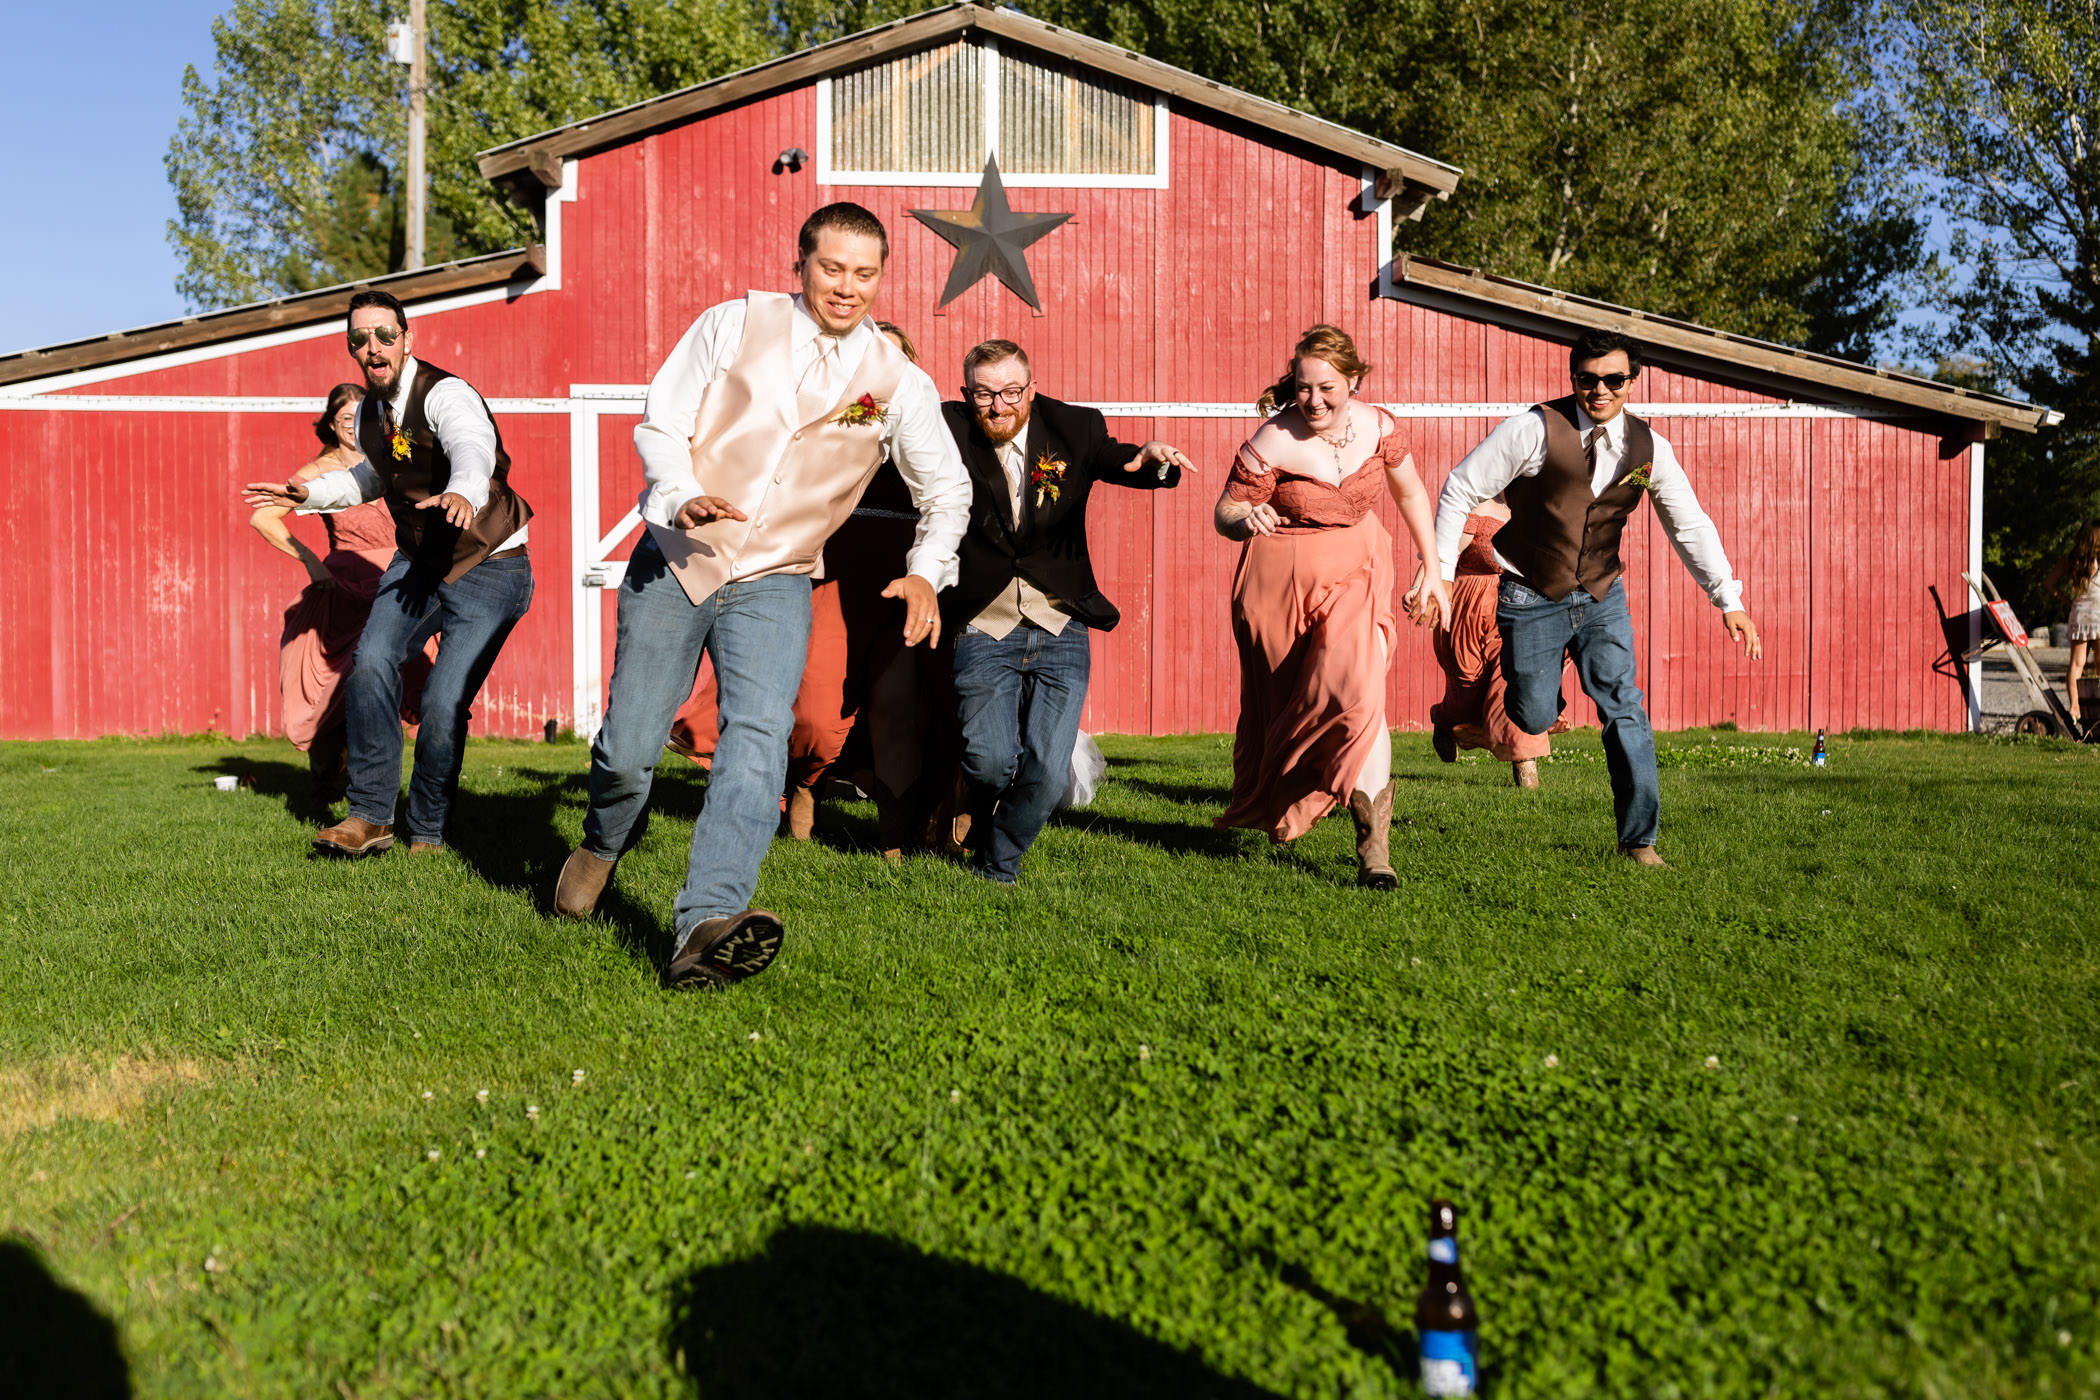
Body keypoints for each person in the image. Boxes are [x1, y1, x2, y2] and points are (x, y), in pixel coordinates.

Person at [552, 204, 972, 989]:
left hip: (777, 577)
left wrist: (927, 568)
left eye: (865, 273)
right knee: (630, 750)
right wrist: (678, 495)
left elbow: (946, 490)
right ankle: (603, 841)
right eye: (831, 268)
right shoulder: (730, 324)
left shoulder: (897, 379)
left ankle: (706, 920)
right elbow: (662, 421)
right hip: (678, 559)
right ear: (800, 264)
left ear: (881, 278)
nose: (847, 287)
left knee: (756, 737)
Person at [1426, 327, 1761, 867]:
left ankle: (1639, 841)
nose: (1600, 390)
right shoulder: (1534, 429)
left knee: (1625, 706)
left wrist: (1729, 599)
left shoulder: (1650, 448)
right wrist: (1441, 572)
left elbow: (1689, 524)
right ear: (1574, 378)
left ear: (1632, 381)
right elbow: (1460, 485)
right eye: (1588, 379)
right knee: (1532, 716)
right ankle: (1526, 704)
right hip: (1530, 594)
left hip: (1603, 594)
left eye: (1613, 379)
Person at [241, 290, 535, 856]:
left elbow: (473, 449)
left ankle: (426, 829)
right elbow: (368, 482)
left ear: (407, 338)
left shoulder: (445, 394)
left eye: (383, 335)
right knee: (371, 662)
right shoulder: (372, 413)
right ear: (351, 349)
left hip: (491, 562)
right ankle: (371, 815)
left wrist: (461, 491)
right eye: (359, 339)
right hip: (420, 560)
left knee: (444, 700)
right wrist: (307, 495)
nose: (372, 347)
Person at [666, 322, 952, 858]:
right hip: (830, 585)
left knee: (898, 714)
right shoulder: (839, 418)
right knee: (819, 715)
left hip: (903, 586)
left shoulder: (932, 423)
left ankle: (895, 840)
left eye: (893, 358)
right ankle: (803, 782)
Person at [943, 339, 1190, 886]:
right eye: (985, 394)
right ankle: (974, 809)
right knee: (988, 761)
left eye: (1011, 392)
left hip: (1059, 624)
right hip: (983, 621)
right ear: (968, 393)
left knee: (1048, 771)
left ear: (1031, 389)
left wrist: (1153, 460)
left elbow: (1119, 459)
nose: (999, 406)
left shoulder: (1073, 426)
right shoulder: (948, 428)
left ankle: (998, 863)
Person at [1213, 325, 1448, 888]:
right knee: (1294, 707)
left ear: (1353, 381)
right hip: (1281, 586)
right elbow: (1223, 511)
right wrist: (1245, 518)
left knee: (1360, 691)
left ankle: (1375, 851)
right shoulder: (1273, 440)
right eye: (1302, 388)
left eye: (1326, 388)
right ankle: (1298, 795)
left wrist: (1434, 569)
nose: (1313, 401)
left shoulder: (1380, 427)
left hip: (1360, 569)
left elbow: (1411, 492)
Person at [1417, 495, 1565, 788]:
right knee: (1468, 693)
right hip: (1466, 610)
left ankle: (1526, 766)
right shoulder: (1476, 508)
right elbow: (1442, 553)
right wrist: (1420, 586)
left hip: (1511, 609)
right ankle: (1446, 721)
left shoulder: (1529, 511)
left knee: (1515, 678)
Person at [2045, 518, 2100, 731]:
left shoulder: (2070, 560)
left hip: (2079, 615)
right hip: (2099, 616)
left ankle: (2075, 707)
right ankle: (2096, 709)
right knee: (2098, 666)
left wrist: (2068, 601)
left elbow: (2049, 584)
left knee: (2076, 665)